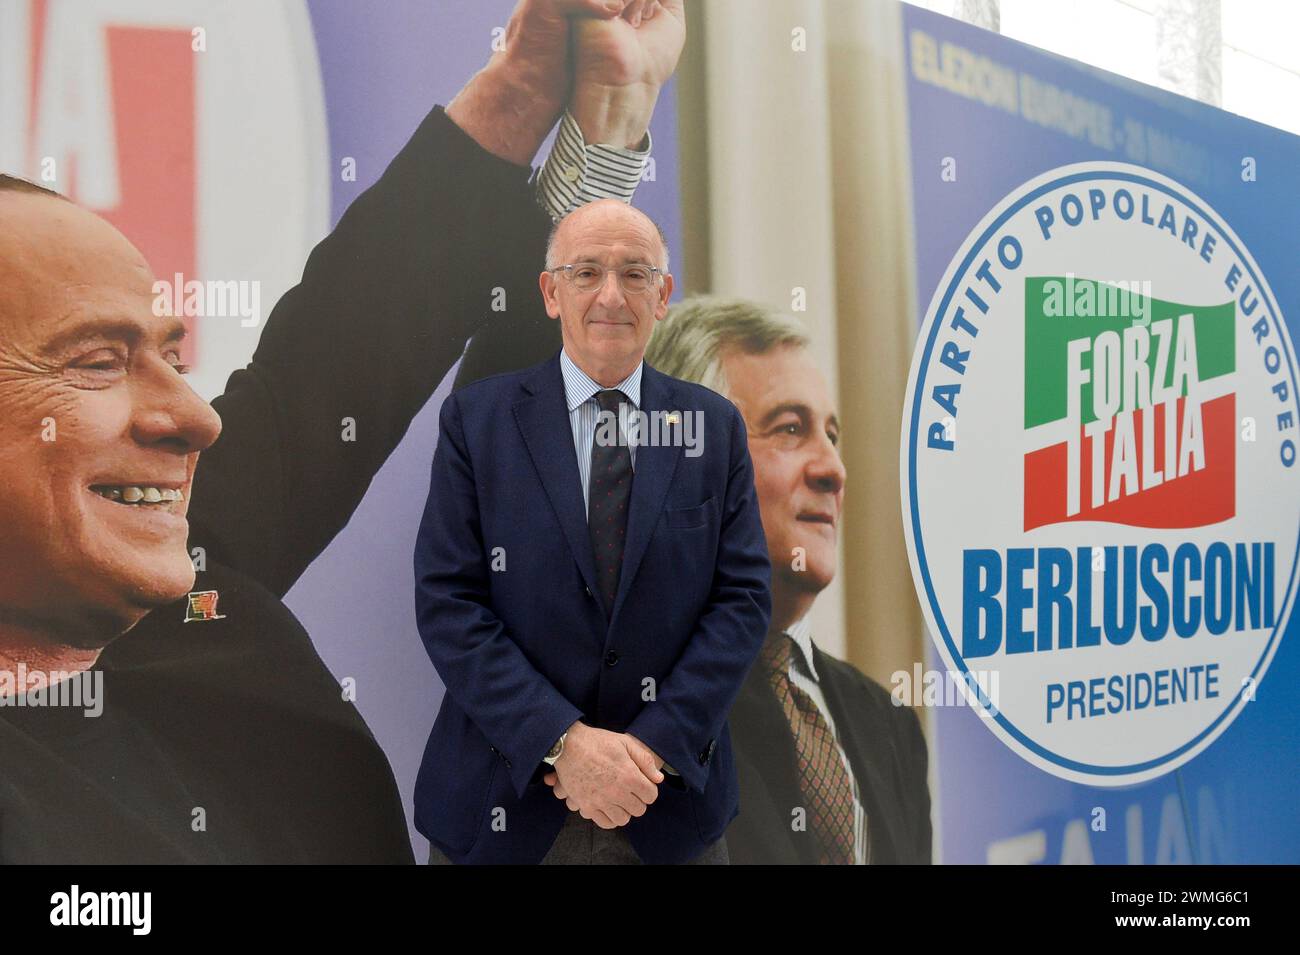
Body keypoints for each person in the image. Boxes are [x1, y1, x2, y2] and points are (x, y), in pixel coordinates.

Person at [0, 0, 673, 864]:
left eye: (173, 356)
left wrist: (559, 104)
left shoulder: (193, 605)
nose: (196, 417)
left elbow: (338, 361)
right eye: (96, 360)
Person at [415, 199, 772, 865]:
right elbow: (448, 601)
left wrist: (652, 745)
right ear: (551, 292)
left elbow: (742, 600)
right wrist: (564, 742)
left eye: (635, 274)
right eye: (586, 272)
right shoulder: (477, 422)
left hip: (668, 812)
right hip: (505, 807)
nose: (611, 294)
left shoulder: (714, 426)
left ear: (663, 296)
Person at [645, 295, 933, 864]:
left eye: (832, 434)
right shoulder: (618, 716)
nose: (833, 469)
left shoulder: (890, 725)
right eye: (790, 429)